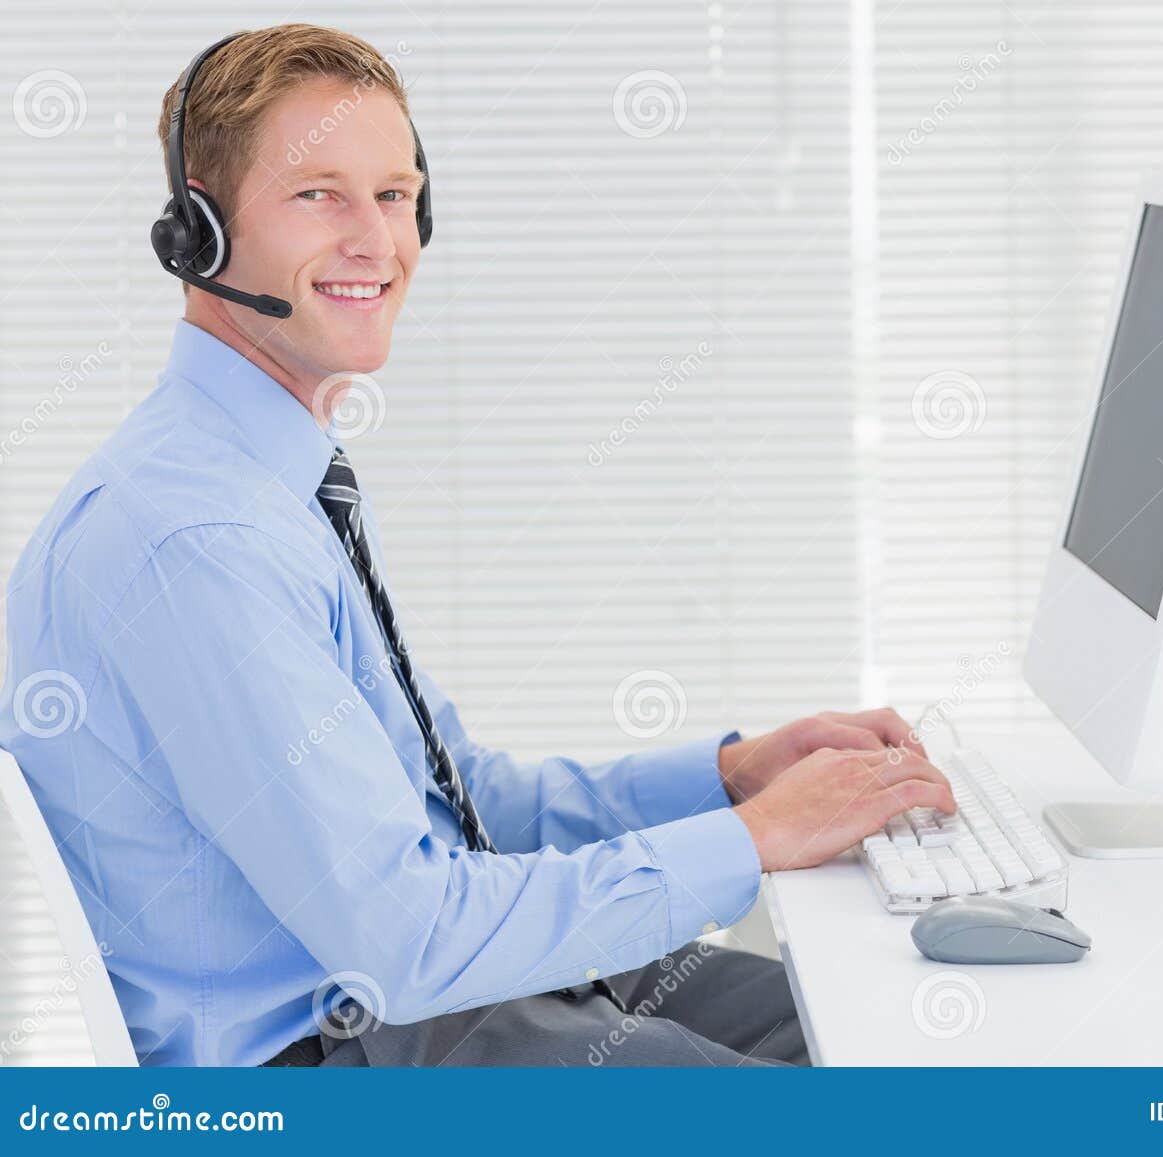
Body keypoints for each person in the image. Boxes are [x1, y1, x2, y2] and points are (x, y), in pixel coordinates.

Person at [0, 23, 954, 1067]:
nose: (380, 242)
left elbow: (462, 806)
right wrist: (757, 840)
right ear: (200, 233)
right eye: (319, 193)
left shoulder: (263, 479)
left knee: (880, 1028)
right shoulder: (195, 537)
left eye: (397, 195)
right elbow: (406, 936)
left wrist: (728, 781)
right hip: (343, 1050)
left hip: (414, 997)